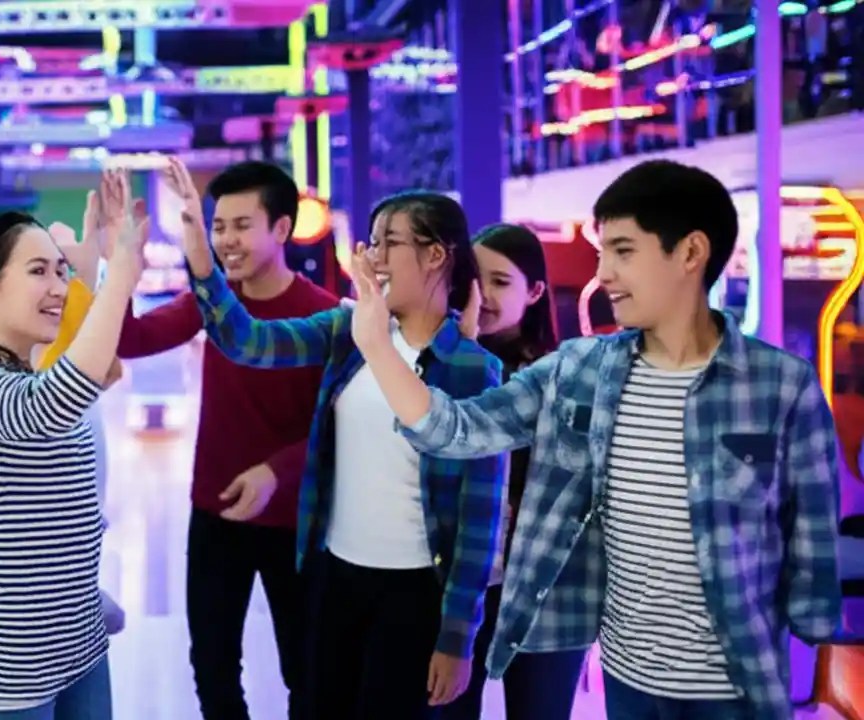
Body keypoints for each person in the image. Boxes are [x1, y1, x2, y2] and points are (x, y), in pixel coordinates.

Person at [353, 160, 842, 720]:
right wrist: (377, 345)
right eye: (602, 252)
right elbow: (456, 430)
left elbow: (812, 538)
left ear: (690, 253)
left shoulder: (782, 385)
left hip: (740, 686)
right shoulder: (579, 369)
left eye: (623, 251)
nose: (603, 273)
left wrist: (819, 638)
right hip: (627, 680)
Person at [165, 160, 506, 720]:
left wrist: (457, 636)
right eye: (371, 243)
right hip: (334, 574)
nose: (372, 258)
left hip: (415, 592)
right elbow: (245, 340)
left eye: (389, 243)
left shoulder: (472, 369)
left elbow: (478, 519)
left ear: (436, 255)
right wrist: (202, 256)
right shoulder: (347, 333)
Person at [109, 160, 338, 720]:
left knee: (305, 674)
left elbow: (337, 431)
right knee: (212, 669)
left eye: (241, 225)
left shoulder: (325, 316)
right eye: (218, 226)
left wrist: (276, 472)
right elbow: (132, 340)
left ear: (281, 230)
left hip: (296, 524)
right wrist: (118, 267)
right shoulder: (212, 305)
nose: (226, 240)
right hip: (214, 515)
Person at [0, 198, 146, 720]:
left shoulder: (28, 373)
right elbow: (51, 405)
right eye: (39, 271)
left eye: (61, 272)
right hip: (0, 668)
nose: (59, 288)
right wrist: (119, 280)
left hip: (78, 646)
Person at [468, 224, 588, 720]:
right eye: (475, 280)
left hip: (547, 587)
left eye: (501, 281)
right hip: (465, 580)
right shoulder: (446, 366)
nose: (484, 295)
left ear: (535, 291)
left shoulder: (566, 374)